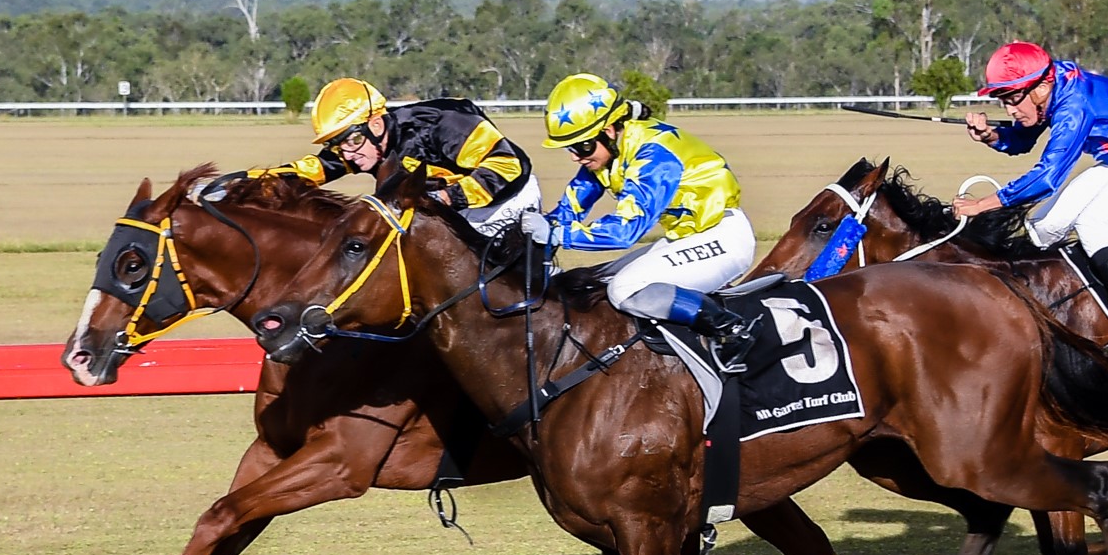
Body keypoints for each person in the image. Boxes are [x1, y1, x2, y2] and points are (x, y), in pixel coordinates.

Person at [951, 41, 1108, 357]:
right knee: (1044, 226)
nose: (1009, 110)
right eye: (1003, 101)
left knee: (1093, 223)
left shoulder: (1073, 105)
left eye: (1012, 99)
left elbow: (1048, 177)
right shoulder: (1050, 86)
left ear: (1040, 87)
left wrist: (982, 205)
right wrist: (992, 136)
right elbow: (1024, 138)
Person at [520, 72, 757, 365]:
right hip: (687, 236)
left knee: (624, 289)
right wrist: (530, 234)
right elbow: (570, 207)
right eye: (570, 148)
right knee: (597, 280)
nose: (575, 157)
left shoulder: (653, 156)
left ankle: (733, 330)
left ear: (609, 130)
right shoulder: (611, 150)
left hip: (723, 238)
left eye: (582, 146)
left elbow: (626, 231)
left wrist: (558, 235)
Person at [249, 77, 541, 235]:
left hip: (507, 200)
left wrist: (449, 198)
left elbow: (506, 165)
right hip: (450, 207)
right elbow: (315, 168)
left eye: (349, 140)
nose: (345, 152)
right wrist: (251, 182)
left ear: (375, 123)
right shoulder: (360, 143)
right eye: (337, 144)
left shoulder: (445, 123)